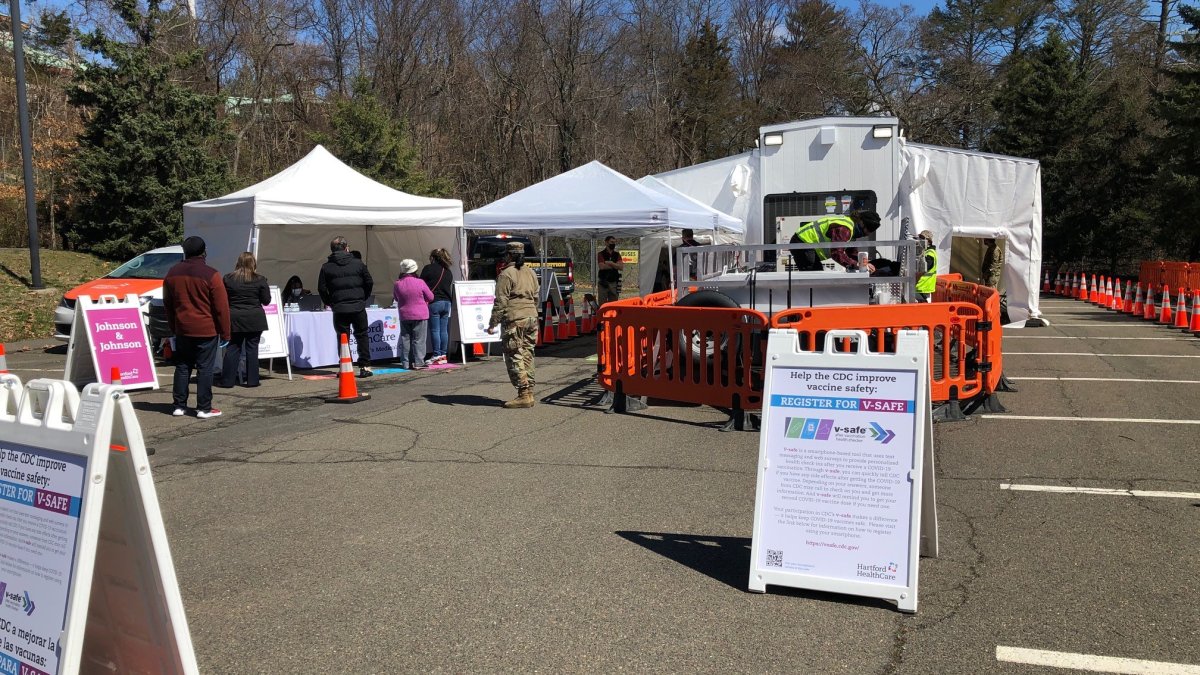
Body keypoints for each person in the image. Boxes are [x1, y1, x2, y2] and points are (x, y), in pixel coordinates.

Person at [163, 236, 230, 419]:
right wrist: (225, 333)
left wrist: (173, 327)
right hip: (206, 328)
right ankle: (203, 407)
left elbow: (168, 304)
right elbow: (221, 307)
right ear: (204, 251)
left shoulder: (172, 273)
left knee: (183, 366)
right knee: (205, 368)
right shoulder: (211, 274)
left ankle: (179, 405)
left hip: (183, 328)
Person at [487, 241, 540, 408]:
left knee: (515, 354)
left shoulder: (506, 274)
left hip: (515, 319)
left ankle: (523, 394)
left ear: (508, 255)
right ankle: (529, 392)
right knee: (527, 353)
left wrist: (492, 323)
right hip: (531, 317)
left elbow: (501, 302)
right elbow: (536, 297)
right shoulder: (531, 272)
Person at [318, 236, 375, 378]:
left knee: (343, 337)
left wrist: (330, 302)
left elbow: (321, 288)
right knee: (362, 335)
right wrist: (363, 297)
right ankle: (365, 366)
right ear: (346, 247)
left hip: (340, 307)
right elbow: (369, 282)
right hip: (358, 305)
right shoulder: (358, 264)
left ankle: (345, 366)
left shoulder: (326, 267)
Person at [220, 252, 271, 387]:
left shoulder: (228, 278)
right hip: (254, 317)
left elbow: (223, 299)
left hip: (234, 317)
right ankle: (253, 380)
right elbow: (266, 301)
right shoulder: (260, 279)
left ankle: (227, 381)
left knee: (233, 348)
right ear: (253, 263)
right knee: (252, 349)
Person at [789, 210, 882, 271]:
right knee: (814, 275)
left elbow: (851, 252)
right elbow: (837, 253)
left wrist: (864, 264)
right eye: (868, 230)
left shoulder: (851, 228)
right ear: (862, 223)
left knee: (816, 273)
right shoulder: (845, 229)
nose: (867, 234)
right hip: (802, 243)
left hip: (805, 244)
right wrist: (857, 265)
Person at [393, 259, 434, 369]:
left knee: (406, 339)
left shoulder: (397, 284)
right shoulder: (420, 282)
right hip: (420, 314)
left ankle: (406, 363)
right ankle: (419, 362)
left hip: (404, 314)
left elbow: (396, 298)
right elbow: (431, 297)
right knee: (419, 340)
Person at [420, 248, 455, 365]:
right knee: (443, 330)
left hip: (434, 302)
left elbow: (421, 284)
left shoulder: (428, 269)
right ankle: (443, 355)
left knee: (435, 330)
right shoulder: (448, 271)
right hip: (447, 302)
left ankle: (436, 354)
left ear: (433, 258)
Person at [597, 235, 624, 304]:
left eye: (614, 242)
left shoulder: (617, 254)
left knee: (613, 303)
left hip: (614, 282)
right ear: (606, 243)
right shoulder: (601, 254)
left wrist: (611, 263)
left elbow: (621, 267)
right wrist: (615, 265)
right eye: (611, 242)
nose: (613, 244)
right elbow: (602, 266)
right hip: (603, 282)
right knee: (602, 303)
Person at [915, 230, 938, 302]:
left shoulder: (930, 254)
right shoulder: (925, 252)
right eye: (919, 237)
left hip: (923, 287)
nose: (919, 239)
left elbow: (924, 269)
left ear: (928, 241)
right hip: (921, 287)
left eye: (922, 238)